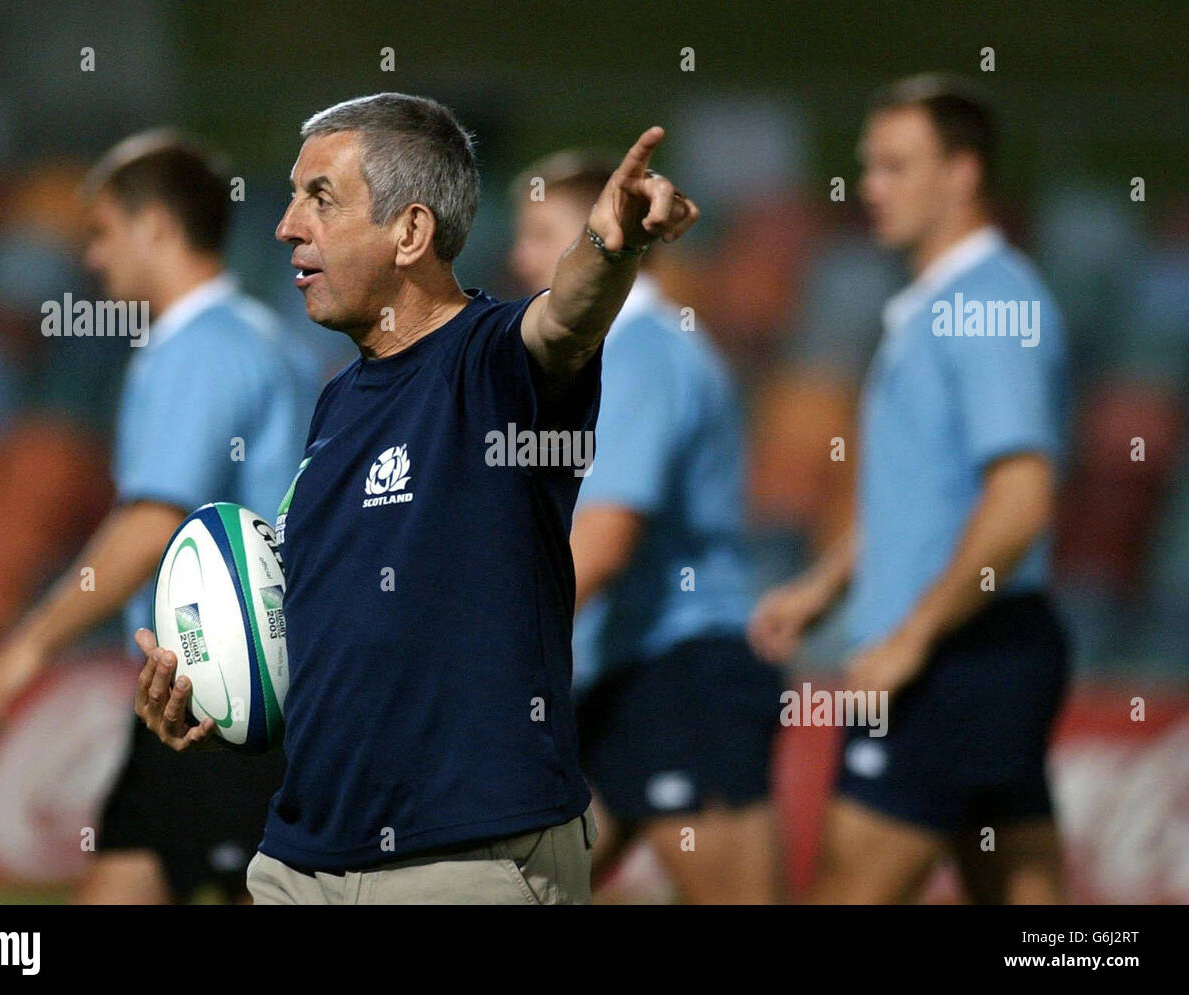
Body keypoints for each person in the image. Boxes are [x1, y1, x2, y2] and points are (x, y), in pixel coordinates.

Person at [132, 92, 700, 905]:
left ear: (411, 232)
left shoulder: (496, 364)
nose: (288, 225)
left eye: (319, 197)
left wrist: (609, 245)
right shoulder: (339, 403)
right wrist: (213, 690)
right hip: (303, 856)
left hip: (461, 858)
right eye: (293, 196)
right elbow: (328, 642)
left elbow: (566, 320)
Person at [749, 74, 1071, 904]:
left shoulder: (992, 305)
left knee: (847, 890)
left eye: (896, 166)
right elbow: (928, 493)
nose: (870, 187)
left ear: (963, 174)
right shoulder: (935, 304)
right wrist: (825, 586)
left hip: (953, 655)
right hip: (981, 647)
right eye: (869, 165)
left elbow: (1020, 496)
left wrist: (911, 637)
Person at [0, 130, 317, 903]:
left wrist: (28, 646)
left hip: (223, 690)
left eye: (101, 233)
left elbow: (154, 518)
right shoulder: (274, 339)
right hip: (230, 683)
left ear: (155, 226)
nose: (92, 258)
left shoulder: (195, 349)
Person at [510, 150, 783, 903]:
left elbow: (602, 540)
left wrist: (492, 648)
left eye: (541, 232)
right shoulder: (612, 352)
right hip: (621, 676)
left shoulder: (639, 353)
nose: (520, 253)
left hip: (681, 676)